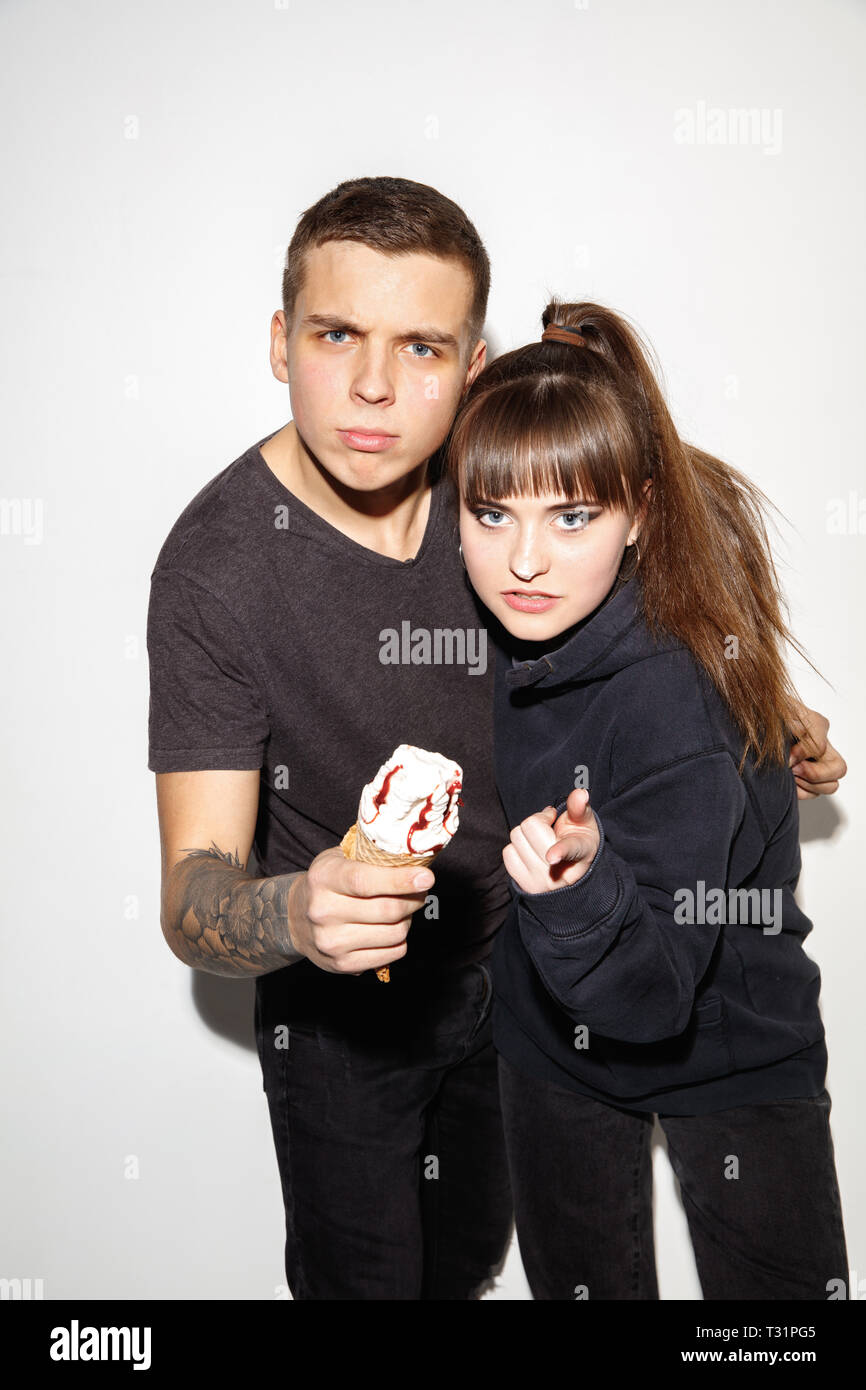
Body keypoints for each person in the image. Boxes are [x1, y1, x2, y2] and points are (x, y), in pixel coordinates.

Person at [146, 177, 846, 1301]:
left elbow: (653, 562)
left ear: (473, 368)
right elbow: (192, 894)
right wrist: (296, 911)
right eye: (336, 335)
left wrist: (754, 710)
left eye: (421, 347)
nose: (374, 387)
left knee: (473, 1264)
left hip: (527, 978)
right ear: (281, 342)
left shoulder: (506, 476)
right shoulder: (217, 568)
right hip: (349, 1011)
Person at [446, 300, 850, 1300]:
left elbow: (654, 988)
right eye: (491, 511)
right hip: (551, 1045)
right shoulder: (506, 598)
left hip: (726, 1046)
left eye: (571, 516)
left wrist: (580, 889)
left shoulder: (673, 699)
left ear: (637, 512)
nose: (524, 560)